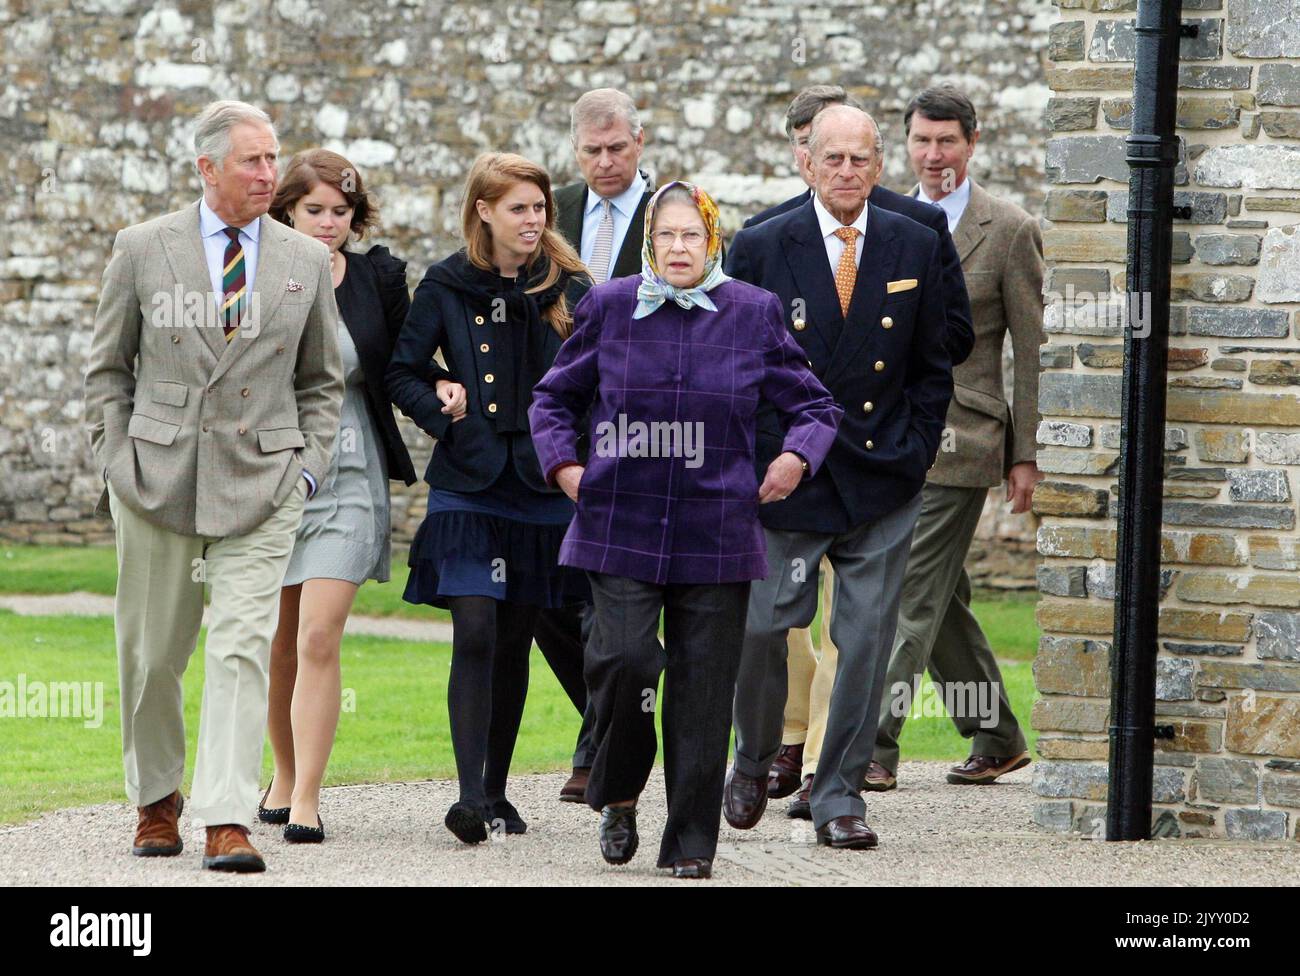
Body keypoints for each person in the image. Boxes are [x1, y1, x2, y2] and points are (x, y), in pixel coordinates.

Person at [529, 181, 841, 879]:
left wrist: (793, 459)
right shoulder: (608, 306)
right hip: (619, 522)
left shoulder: (753, 313)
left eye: (691, 236)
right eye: (665, 235)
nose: (678, 247)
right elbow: (554, 398)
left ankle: (691, 845)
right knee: (628, 663)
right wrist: (566, 468)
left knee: (702, 692)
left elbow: (815, 407)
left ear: (713, 241)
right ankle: (618, 791)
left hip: (717, 530)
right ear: (649, 241)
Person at [83, 100, 343, 872]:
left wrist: (305, 469)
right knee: (152, 656)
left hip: (264, 485)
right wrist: (117, 463)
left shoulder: (302, 259)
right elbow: (105, 371)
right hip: (154, 481)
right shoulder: (140, 249)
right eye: (253, 161)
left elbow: (323, 381)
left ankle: (226, 816)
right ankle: (156, 798)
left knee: (241, 651)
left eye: (273, 158)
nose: (270, 173)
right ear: (207, 169)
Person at [723, 105, 953, 849]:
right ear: (806, 163)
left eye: (861, 160)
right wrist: (767, 460)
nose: (847, 172)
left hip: (883, 478)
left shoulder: (917, 240)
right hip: (791, 478)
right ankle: (755, 758)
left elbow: (934, 360)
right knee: (763, 626)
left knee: (865, 642)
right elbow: (740, 368)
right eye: (833, 159)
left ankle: (840, 793)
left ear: (880, 165)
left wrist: (916, 451)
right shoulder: (761, 245)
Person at [386, 152, 592, 845]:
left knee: (513, 639)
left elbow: (600, 381)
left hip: (542, 487)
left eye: (539, 209)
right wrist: (441, 401)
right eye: (518, 209)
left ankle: (497, 792)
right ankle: (470, 797)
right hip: (469, 484)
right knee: (475, 625)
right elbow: (402, 371)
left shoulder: (572, 285)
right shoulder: (446, 283)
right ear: (484, 211)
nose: (532, 220)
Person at [256, 150, 458, 842]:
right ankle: (281, 775)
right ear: (286, 209)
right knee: (278, 640)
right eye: (314, 210)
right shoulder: (254, 270)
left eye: (340, 211)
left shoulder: (378, 276)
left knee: (318, 635)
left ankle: (308, 797)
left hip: (349, 472)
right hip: (272, 476)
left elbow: (401, 361)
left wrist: (440, 388)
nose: (329, 223)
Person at [867, 85, 1043, 790]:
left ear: (972, 144)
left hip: (962, 437)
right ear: (905, 145)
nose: (934, 154)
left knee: (906, 589)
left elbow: (1030, 351)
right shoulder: (878, 217)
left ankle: (868, 748)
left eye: (947, 141)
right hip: (884, 438)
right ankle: (997, 734)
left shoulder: (1009, 228)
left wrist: (1025, 452)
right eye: (921, 140)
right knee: (941, 599)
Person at [540, 86, 657, 803]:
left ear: (639, 144)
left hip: (646, 430)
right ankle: (607, 719)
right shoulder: (548, 210)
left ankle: (596, 750)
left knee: (613, 602)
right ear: (575, 150)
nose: (606, 162)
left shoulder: (674, 215)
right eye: (592, 151)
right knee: (554, 596)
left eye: (618, 148)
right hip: (563, 426)